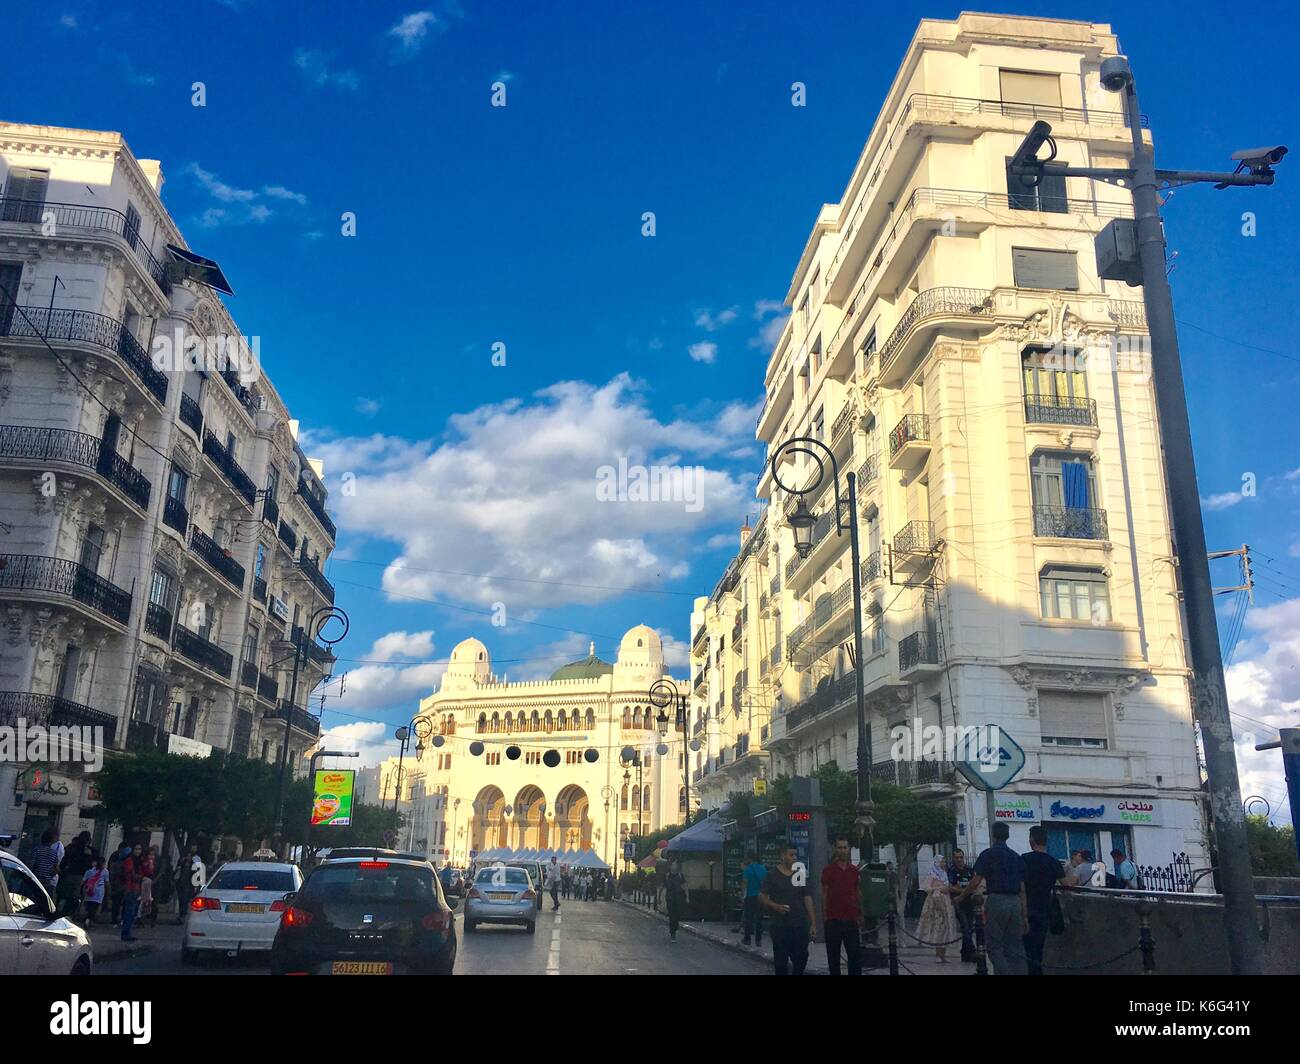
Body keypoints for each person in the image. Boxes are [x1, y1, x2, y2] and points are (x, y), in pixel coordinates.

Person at [953, 822, 1026, 975]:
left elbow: (975, 881)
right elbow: (1022, 888)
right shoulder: (1016, 856)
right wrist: (1024, 913)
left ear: (993, 835)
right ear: (1008, 836)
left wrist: (961, 896)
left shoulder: (988, 854)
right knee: (1014, 947)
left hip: (997, 900)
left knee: (993, 946)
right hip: (1015, 902)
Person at [758, 842, 817, 975]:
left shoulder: (800, 874)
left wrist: (813, 922)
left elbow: (807, 897)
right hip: (780, 925)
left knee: (801, 957)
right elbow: (761, 896)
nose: (794, 858)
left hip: (799, 923)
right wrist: (775, 906)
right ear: (783, 856)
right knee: (781, 962)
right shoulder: (772, 875)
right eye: (791, 855)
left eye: (795, 855)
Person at [1022, 826, 1073, 976]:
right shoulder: (1053, 863)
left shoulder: (1024, 859)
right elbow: (1066, 884)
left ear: (1032, 840)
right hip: (1044, 911)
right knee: (1038, 948)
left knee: (1027, 949)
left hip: (1026, 909)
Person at [820, 836, 862, 976]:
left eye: (845, 847)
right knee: (833, 958)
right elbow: (824, 893)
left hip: (851, 919)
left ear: (848, 848)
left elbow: (857, 892)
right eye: (840, 847)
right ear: (835, 849)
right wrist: (825, 916)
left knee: (854, 957)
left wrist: (859, 914)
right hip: (833, 920)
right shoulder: (828, 870)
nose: (842, 850)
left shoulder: (854, 870)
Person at [917, 853, 959, 963]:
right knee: (938, 927)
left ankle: (943, 954)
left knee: (945, 927)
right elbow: (926, 888)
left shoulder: (945, 873)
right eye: (942, 861)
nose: (943, 864)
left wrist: (947, 889)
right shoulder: (932, 874)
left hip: (946, 901)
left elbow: (948, 886)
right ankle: (938, 954)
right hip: (935, 902)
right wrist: (938, 889)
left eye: (944, 861)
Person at [948, 849, 977, 962]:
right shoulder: (951, 870)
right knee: (965, 927)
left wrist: (967, 891)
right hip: (958, 903)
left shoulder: (969, 869)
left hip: (970, 902)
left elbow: (974, 883)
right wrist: (963, 891)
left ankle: (965, 953)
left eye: (961, 857)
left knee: (969, 927)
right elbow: (951, 886)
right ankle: (972, 951)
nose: (959, 860)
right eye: (957, 857)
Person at [57, 831, 94, 918]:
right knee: (74, 897)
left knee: (63, 895)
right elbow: (89, 865)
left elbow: (64, 861)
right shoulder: (87, 851)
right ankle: (69, 915)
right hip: (79, 876)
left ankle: (61, 913)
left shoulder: (71, 848)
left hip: (67, 875)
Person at [741, 851, 767, 947]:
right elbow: (765, 883)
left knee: (749, 918)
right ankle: (758, 940)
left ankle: (747, 939)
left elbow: (745, 882)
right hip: (760, 897)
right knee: (759, 918)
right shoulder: (763, 869)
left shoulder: (748, 869)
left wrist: (742, 895)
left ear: (750, 858)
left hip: (750, 896)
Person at [120, 843, 144, 943]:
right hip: (130, 888)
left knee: (132, 911)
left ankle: (127, 932)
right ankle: (126, 933)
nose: (138, 851)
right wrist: (140, 877)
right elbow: (130, 874)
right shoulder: (129, 860)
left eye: (139, 849)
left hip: (136, 888)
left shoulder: (138, 861)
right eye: (136, 849)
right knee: (129, 911)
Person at [29, 828, 61, 895]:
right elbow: (56, 869)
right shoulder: (53, 853)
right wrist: (49, 875)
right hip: (47, 883)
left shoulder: (37, 850)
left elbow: (31, 864)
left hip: (36, 881)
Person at [664, 860, 687, 941]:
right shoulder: (667, 875)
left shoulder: (680, 875)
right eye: (672, 865)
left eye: (675, 865)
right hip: (670, 899)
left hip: (679, 898)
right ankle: (672, 932)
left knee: (677, 916)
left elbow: (685, 886)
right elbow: (663, 887)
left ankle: (675, 928)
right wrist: (660, 897)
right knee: (672, 916)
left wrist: (687, 897)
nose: (674, 866)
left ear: (677, 866)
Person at [81, 857, 108, 926]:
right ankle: (89, 919)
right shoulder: (105, 871)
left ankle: (88, 919)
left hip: (89, 890)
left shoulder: (89, 871)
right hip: (99, 892)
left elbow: (83, 881)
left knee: (89, 906)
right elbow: (107, 882)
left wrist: (82, 889)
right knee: (95, 907)